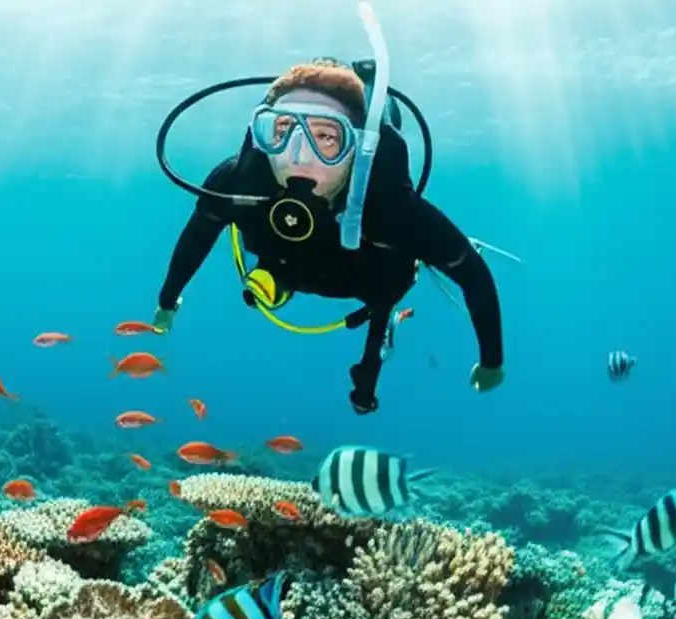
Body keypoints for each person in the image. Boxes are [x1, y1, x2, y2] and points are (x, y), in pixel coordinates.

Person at [150, 42, 508, 415]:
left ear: (358, 148)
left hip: (369, 280)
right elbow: (196, 238)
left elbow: (472, 273)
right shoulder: (237, 184)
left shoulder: (391, 208)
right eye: (283, 131)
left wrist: (492, 362)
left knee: (387, 290)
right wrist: (167, 301)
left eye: (326, 137)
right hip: (288, 267)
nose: (300, 156)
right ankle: (280, 280)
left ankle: (381, 324)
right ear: (262, 134)